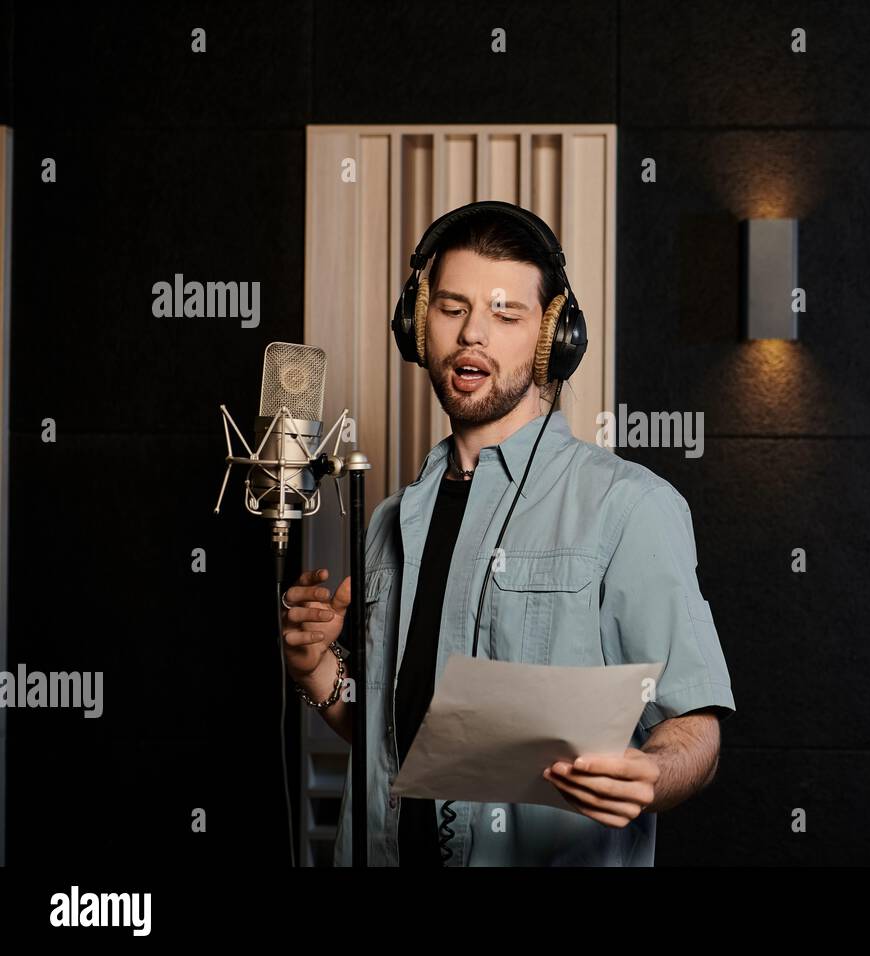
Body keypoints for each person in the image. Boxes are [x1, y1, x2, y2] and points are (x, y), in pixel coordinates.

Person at [280, 202, 735, 866]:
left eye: (505, 314)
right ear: (417, 324)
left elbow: (694, 728)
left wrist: (651, 776)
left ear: (553, 339)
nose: (472, 336)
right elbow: (392, 739)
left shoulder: (630, 507)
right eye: (452, 308)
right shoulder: (388, 522)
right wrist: (318, 669)